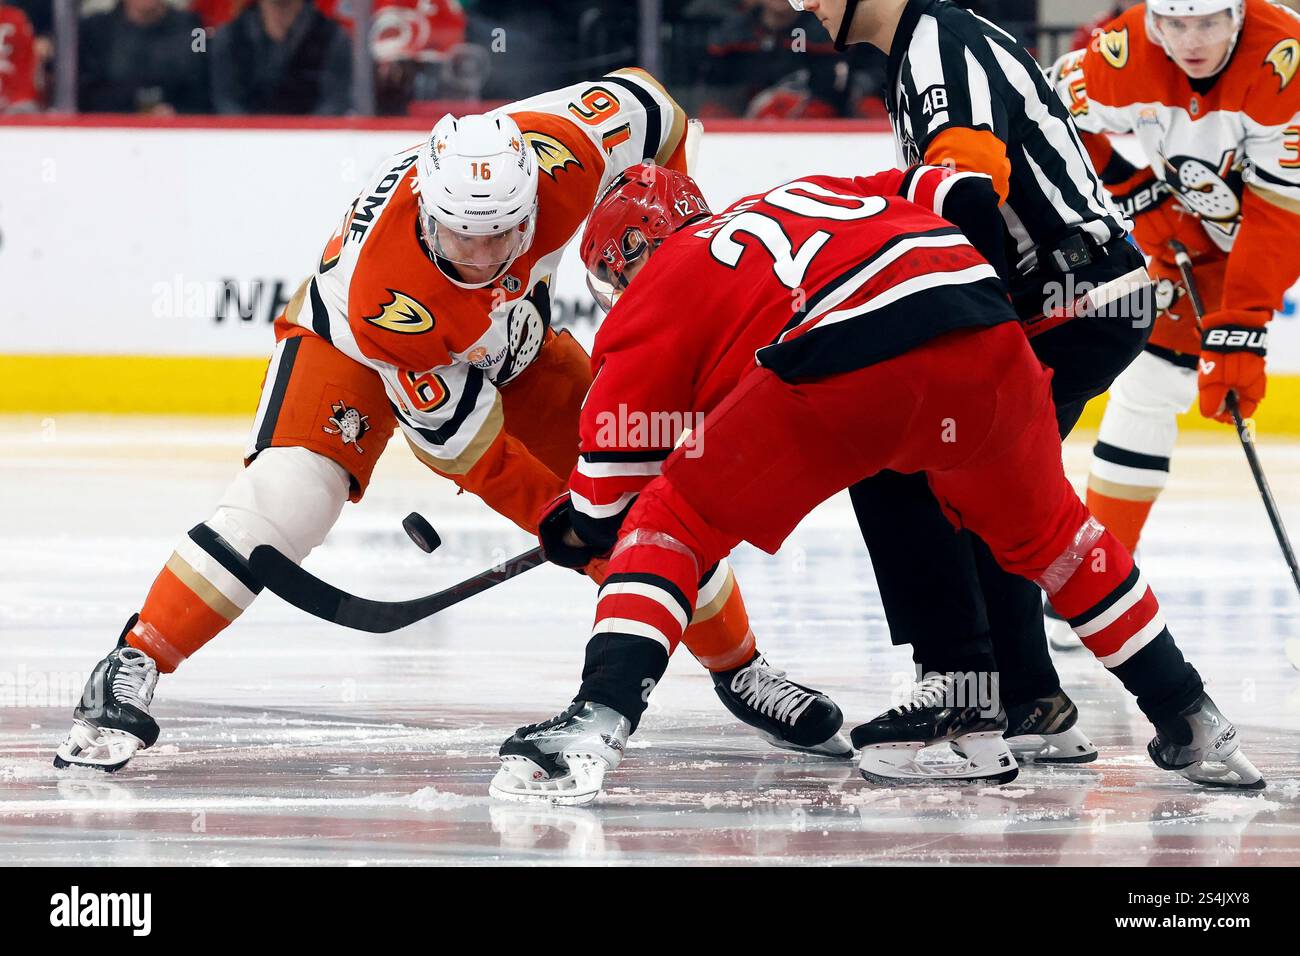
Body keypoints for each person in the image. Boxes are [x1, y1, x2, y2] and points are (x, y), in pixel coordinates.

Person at [53, 71, 849, 774]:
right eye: (462, 238)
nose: (484, 255)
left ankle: (740, 667)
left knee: (649, 498)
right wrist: (556, 517)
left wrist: (671, 236)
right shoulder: (387, 299)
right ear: (430, 213)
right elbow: (463, 447)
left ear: (530, 195)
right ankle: (133, 661)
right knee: (292, 494)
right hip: (352, 348)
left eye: (503, 233)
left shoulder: (563, 153)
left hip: (513, 338)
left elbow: (656, 108)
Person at [490, 162, 1263, 805]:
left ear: (631, 253)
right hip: (982, 325)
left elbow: (608, 486)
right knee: (1056, 540)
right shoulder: (814, 189)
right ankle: (1187, 716)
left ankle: (594, 723)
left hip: (850, 354)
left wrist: (581, 526)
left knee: (672, 523)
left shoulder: (663, 283)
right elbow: (958, 190)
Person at [776, 0, 1155, 766]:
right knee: (990, 490)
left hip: (1067, 305)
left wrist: (949, 335)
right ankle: (1028, 701)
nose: (803, 6)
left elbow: (972, 196)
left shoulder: (938, 46)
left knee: (901, 460)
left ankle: (962, 701)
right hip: (1078, 300)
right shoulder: (923, 48)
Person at [1048, 0, 1300, 645]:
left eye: (1210, 21)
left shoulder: (1285, 64)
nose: (1192, 40)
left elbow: (1279, 216)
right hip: (1204, 237)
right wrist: (1132, 189)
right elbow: (1051, 110)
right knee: (1151, 385)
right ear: (1154, 20)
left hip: (1280, 223)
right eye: (1176, 24)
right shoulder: (1123, 53)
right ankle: (1096, 575)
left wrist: (1240, 328)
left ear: (1241, 16)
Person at [210, 0, 351, 115]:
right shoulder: (230, 38)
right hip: (242, 143)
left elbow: (334, 105)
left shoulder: (334, 38)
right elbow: (227, 105)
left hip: (313, 144)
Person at [78, 0, 210, 114]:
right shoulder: (94, 30)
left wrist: (178, 113)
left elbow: (204, 89)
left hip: (180, 131)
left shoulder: (195, 29)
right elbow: (87, 95)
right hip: (109, 132)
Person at [0, 2, 38, 112]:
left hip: (15, 102)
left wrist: (19, 97)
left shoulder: (15, 19)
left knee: (24, 108)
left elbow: (27, 62)